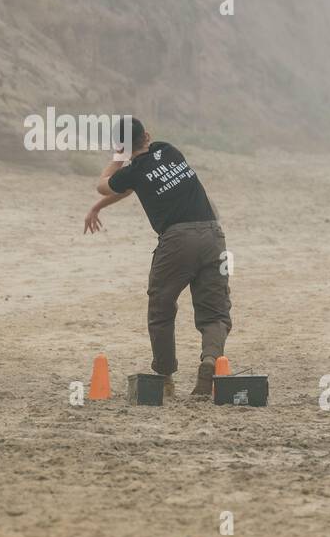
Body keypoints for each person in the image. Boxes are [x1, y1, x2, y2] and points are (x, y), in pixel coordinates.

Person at [85, 118, 231, 398]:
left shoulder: (132, 171)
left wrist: (117, 158)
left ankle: (164, 376)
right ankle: (211, 360)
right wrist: (99, 207)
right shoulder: (170, 150)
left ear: (121, 149)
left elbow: (105, 184)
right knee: (215, 311)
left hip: (176, 241)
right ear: (148, 135)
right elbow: (131, 188)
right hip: (213, 234)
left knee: (161, 307)